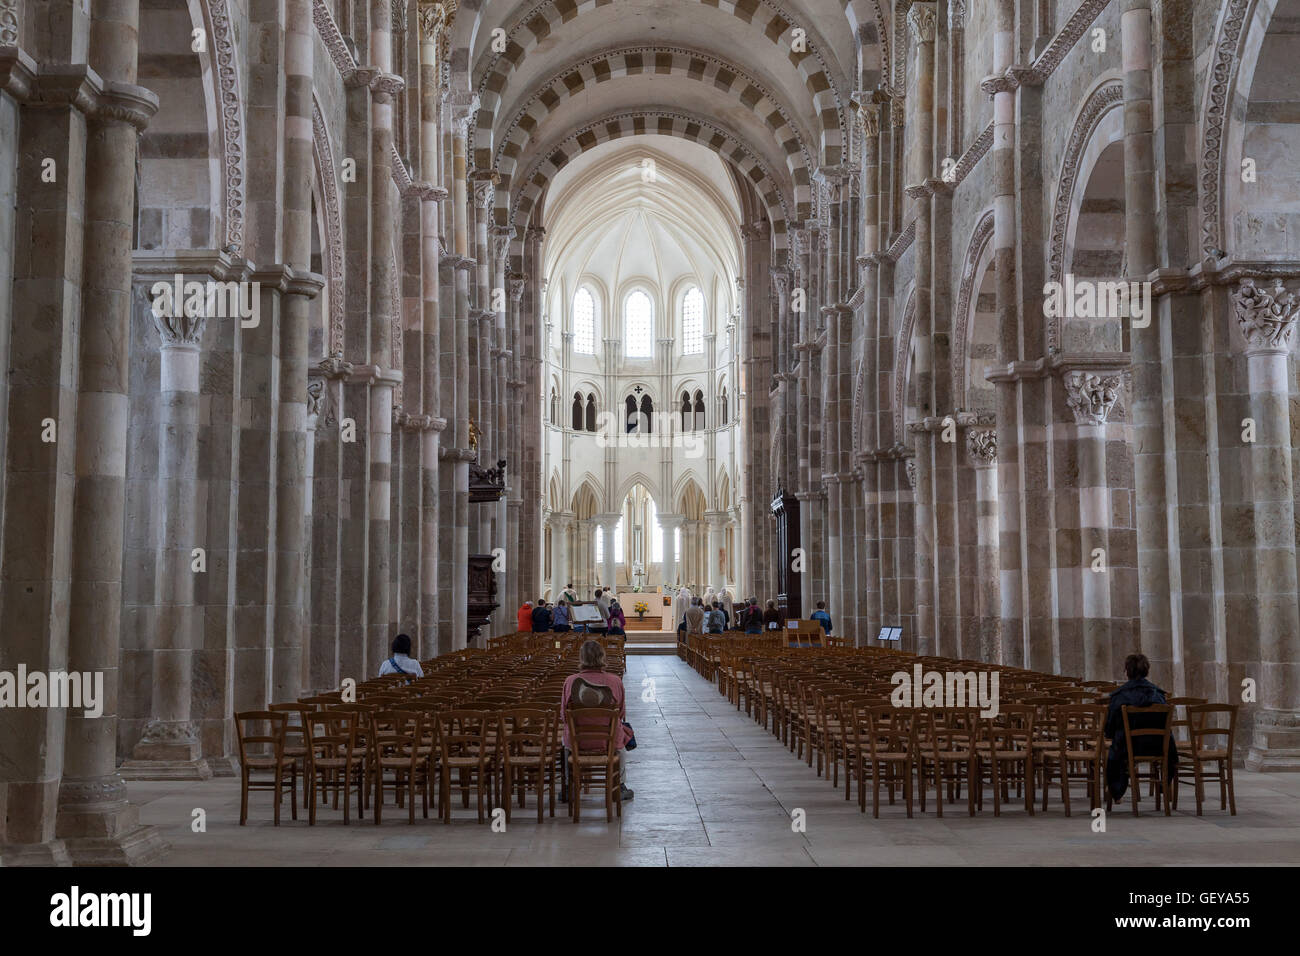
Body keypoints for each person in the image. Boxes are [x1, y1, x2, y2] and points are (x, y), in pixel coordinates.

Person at [560, 640, 634, 801]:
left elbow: (564, 716)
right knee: (620, 737)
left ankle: (568, 787)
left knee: (564, 744)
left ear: (581, 658)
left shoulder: (570, 681)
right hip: (608, 742)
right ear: (602, 657)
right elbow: (620, 713)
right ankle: (619, 786)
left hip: (577, 742)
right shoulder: (615, 681)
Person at [1105, 653, 1179, 801]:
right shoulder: (1158, 695)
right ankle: (1163, 785)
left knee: (1114, 750)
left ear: (1127, 671)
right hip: (1157, 747)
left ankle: (1116, 790)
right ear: (1147, 671)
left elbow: (1110, 728)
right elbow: (1166, 725)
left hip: (1127, 748)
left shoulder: (1119, 696)